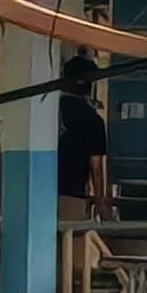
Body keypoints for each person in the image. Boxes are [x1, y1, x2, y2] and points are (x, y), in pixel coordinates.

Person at [56, 52, 111, 212]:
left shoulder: (48, 111)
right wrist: (100, 200)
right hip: (73, 193)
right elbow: (96, 165)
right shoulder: (93, 120)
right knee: (70, 234)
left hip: (40, 190)